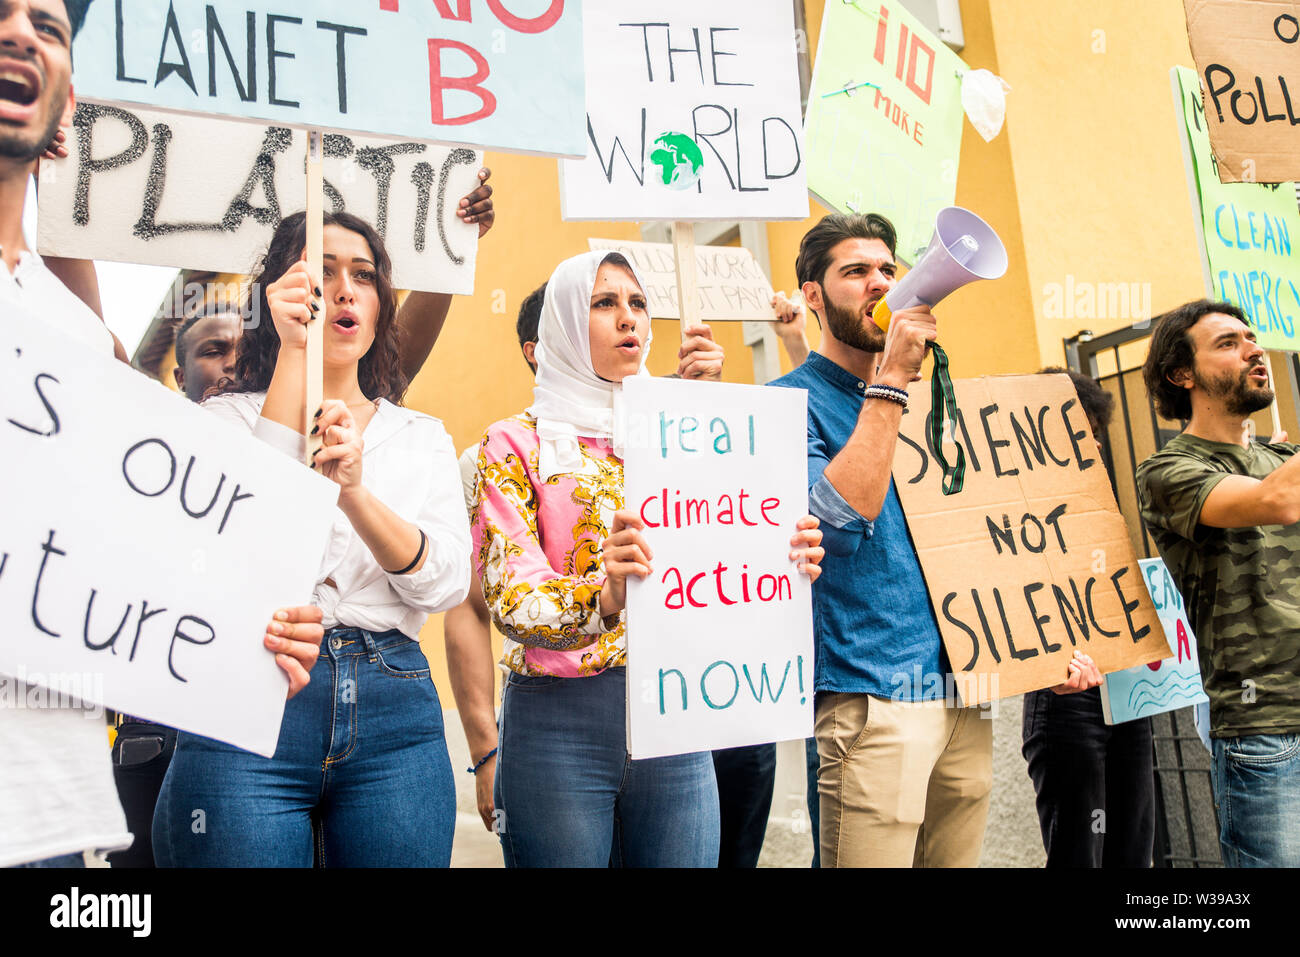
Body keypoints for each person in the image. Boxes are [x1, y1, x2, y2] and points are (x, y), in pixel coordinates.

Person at [0, 0, 321, 869]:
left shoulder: (74, 345)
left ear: (68, 109)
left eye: (51, 27)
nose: (23, 33)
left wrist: (252, 621)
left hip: (47, 820)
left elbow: (176, 543)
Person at [769, 212, 1100, 868]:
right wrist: (890, 380)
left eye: (888, 269)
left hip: (962, 693)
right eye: (855, 271)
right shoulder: (786, 402)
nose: (879, 283)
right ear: (812, 295)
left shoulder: (936, 405)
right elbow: (835, 525)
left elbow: (992, 540)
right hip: (871, 696)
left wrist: (1045, 648)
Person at [471, 250, 823, 867]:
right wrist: (603, 595)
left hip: (678, 709)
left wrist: (788, 555)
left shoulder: (682, 429)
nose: (627, 317)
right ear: (556, 327)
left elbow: (732, 540)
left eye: (638, 303)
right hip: (560, 722)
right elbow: (510, 596)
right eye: (603, 303)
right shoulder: (512, 444)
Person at [153, 210, 470, 867]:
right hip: (249, 693)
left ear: (382, 305)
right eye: (322, 271)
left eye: (364, 275)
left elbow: (444, 581)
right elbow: (238, 554)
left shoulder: (421, 436)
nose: (345, 288)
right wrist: (296, 353)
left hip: (394, 714)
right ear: (280, 292)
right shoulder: (224, 420)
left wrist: (353, 492)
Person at [1135, 299, 1300, 868]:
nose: (1255, 350)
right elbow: (1278, 501)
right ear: (1183, 374)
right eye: (1228, 343)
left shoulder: (1285, 456)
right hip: (1267, 727)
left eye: (1252, 339)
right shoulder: (1169, 470)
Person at [1021, 367, 1154, 867]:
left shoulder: (1099, 508)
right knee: (1080, 851)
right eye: (1077, 433)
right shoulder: (1011, 514)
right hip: (1064, 700)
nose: (1092, 448)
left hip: (1127, 690)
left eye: (1093, 435)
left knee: (1133, 846)